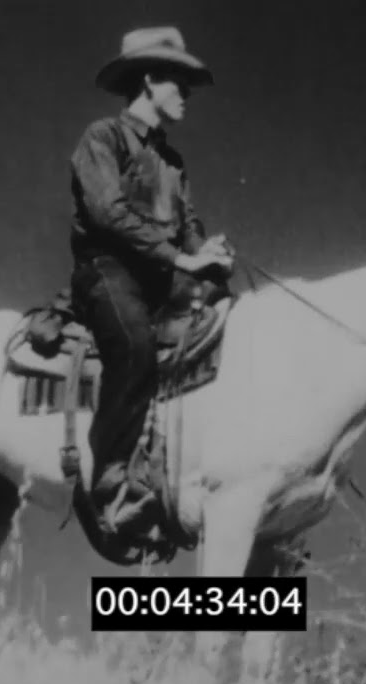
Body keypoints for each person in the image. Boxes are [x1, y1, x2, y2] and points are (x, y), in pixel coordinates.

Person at [68, 27, 234, 513]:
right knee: (136, 345)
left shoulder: (173, 162)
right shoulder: (103, 137)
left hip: (162, 279)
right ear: (148, 81)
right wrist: (181, 258)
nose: (186, 95)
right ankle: (111, 471)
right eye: (178, 83)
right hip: (107, 272)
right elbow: (108, 213)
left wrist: (209, 254)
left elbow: (191, 228)